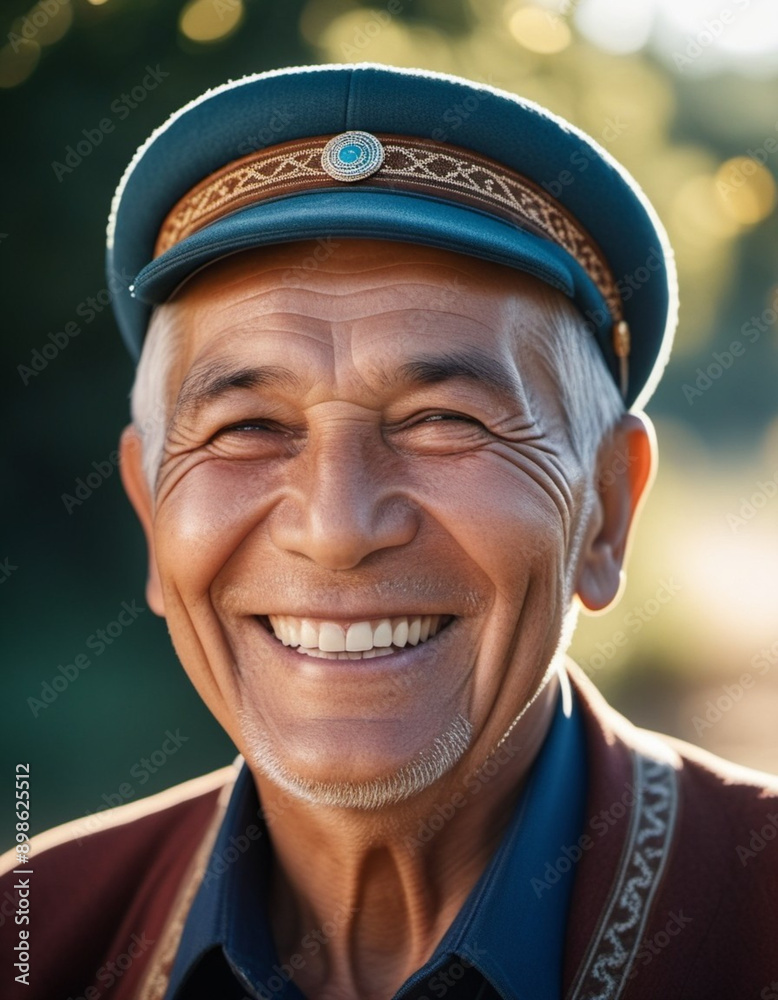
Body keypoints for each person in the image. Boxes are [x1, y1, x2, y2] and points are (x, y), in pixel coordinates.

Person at [2, 63, 777, 1000]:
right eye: (248, 428)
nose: (337, 528)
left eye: (444, 420)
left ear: (608, 509)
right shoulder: (36, 932)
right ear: (149, 509)